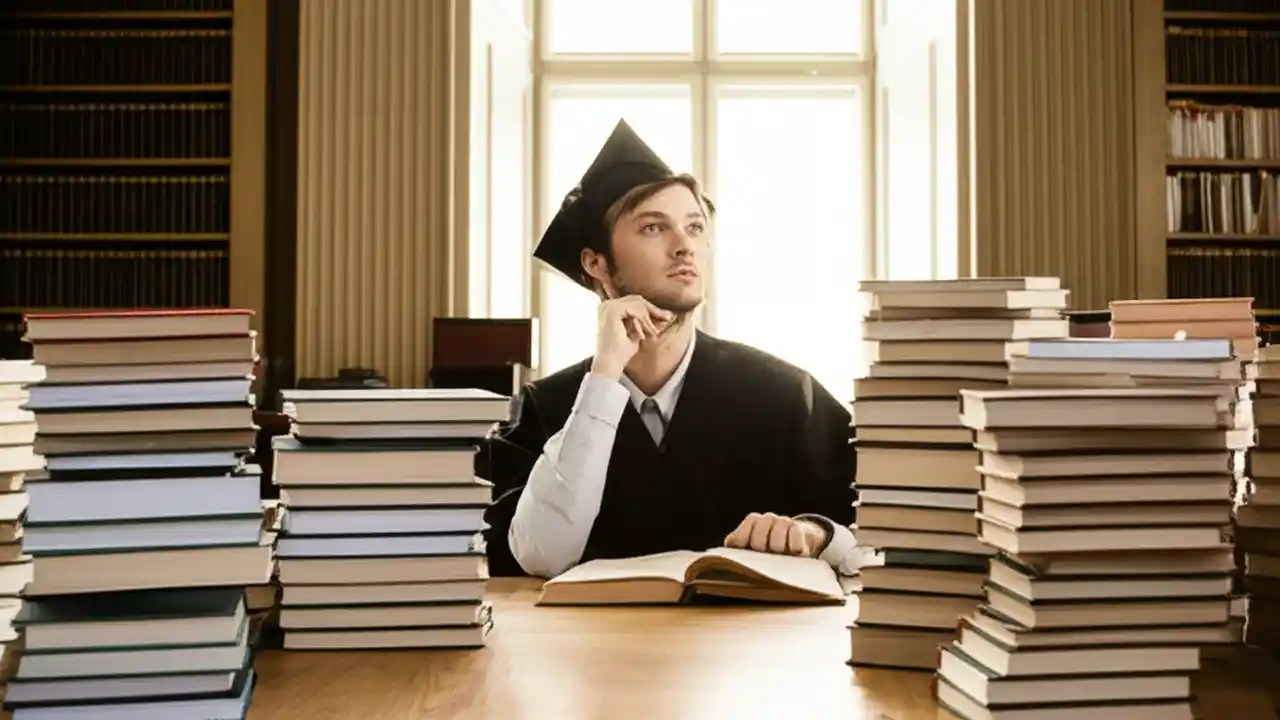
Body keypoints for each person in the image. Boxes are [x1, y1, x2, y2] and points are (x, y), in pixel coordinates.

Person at [476, 119, 862, 579]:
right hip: (587, 648)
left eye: (695, 228)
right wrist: (602, 379)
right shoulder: (546, 409)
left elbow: (878, 529)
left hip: (748, 649)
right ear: (594, 262)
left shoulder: (783, 394)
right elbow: (530, 556)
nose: (685, 247)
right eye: (654, 228)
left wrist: (817, 533)